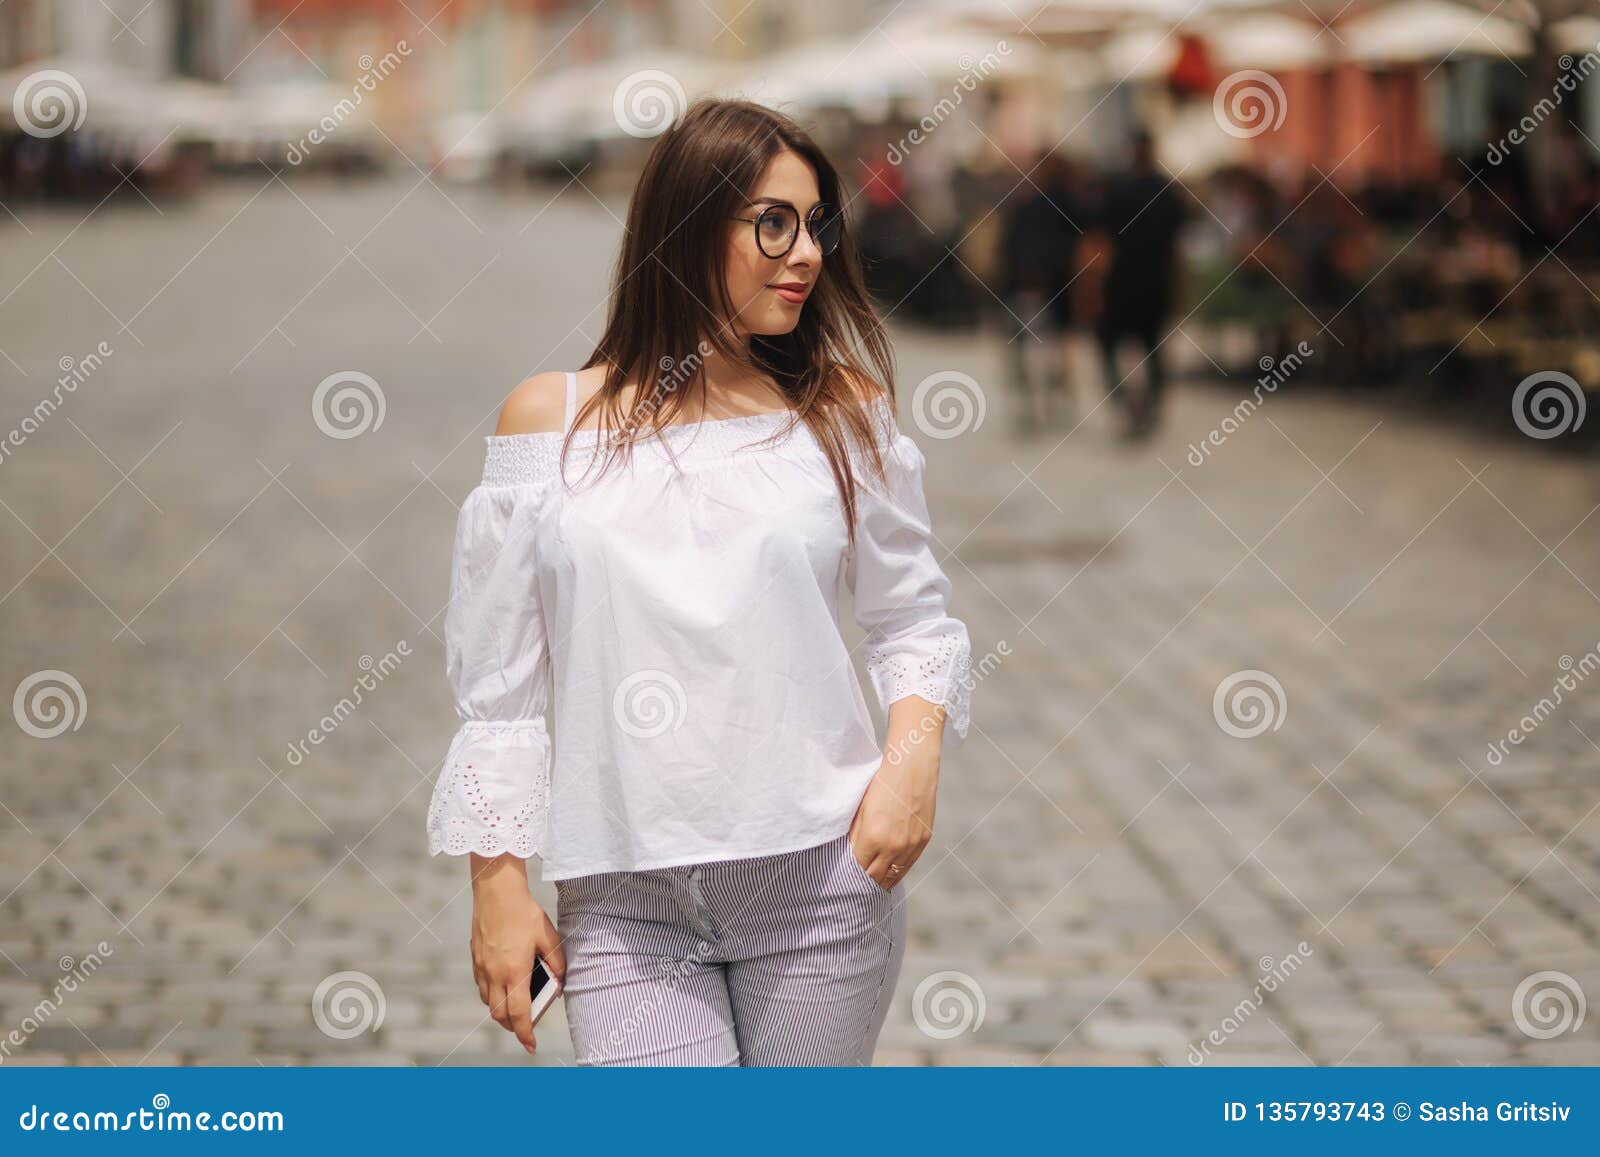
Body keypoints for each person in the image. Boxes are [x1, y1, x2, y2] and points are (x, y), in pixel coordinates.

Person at [426, 98, 974, 1066]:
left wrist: (910, 769)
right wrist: (497, 885)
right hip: (626, 904)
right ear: (684, 228)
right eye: (773, 221)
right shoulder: (544, 421)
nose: (805, 251)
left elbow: (912, 620)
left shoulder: (841, 409)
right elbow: (499, 691)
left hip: (821, 881)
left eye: (816, 224)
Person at [1095, 130, 1187, 438]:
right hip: (1145, 280)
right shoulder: (1164, 191)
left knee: (1130, 345)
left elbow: (1101, 239)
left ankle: (1137, 407)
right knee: (1148, 348)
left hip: (1132, 280)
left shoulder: (1123, 189)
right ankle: (1142, 407)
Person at [996, 149, 1082, 434]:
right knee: (1031, 348)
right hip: (1030, 288)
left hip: (1050, 288)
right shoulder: (1028, 205)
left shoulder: (1058, 204)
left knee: (1048, 349)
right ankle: (1037, 398)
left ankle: (1049, 393)